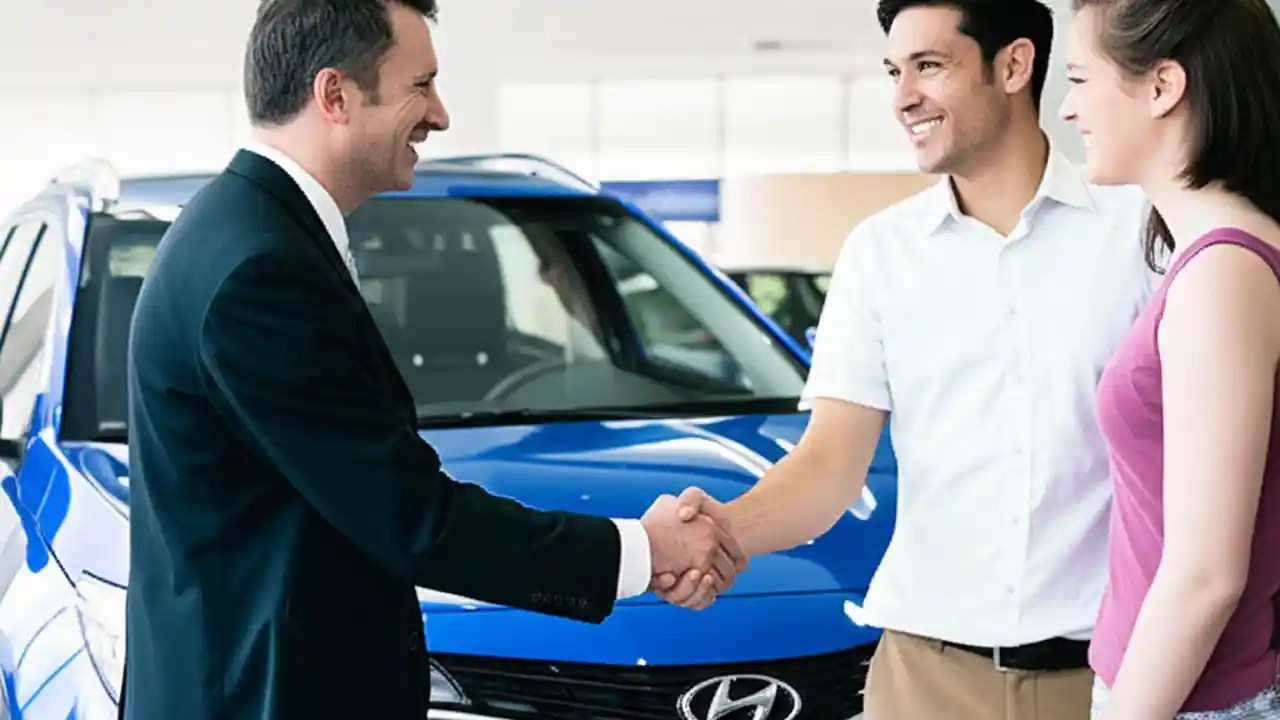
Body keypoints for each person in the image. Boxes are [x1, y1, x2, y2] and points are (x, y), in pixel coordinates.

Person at [120, 1, 742, 718]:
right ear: (336, 96)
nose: (440, 115)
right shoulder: (261, 267)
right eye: (421, 85)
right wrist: (641, 550)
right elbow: (409, 516)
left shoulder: (247, 232)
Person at [654, 0, 1157, 716]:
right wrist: (719, 533)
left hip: (1113, 677)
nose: (902, 98)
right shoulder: (879, 254)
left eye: (930, 66)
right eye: (895, 71)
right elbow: (829, 466)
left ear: (1014, 65)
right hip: (923, 679)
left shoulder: (1143, 230)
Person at [1057, 0, 1280, 717]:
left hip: (1200, 700)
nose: (1067, 110)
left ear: (1162, 86)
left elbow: (1206, 576)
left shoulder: (1225, 275)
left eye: (1081, 80)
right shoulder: (1220, 264)